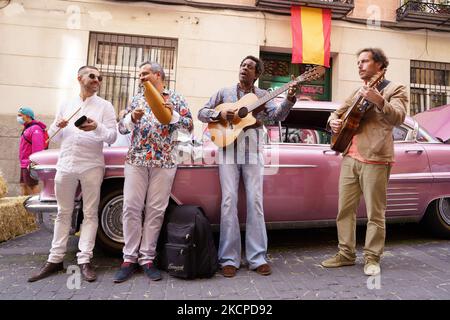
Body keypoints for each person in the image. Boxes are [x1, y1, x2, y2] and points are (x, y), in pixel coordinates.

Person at [198, 55, 298, 277]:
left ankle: (257, 257)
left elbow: (275, 117)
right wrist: (220, 113)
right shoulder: (224, 93)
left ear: (257, 74)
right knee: (228, 201)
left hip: (252, 150)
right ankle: (229, 259)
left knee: (255, 201)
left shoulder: (262, 95)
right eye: (242, 65)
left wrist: (290, 98)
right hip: (227, 151)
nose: (244, 68)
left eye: (250, 67)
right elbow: (202, 112)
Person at [321, 48, 408, 276]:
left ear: (379, 65)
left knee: (375, 213)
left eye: (364, 61)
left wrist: (379, 101)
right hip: (350, 155)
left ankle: (372, 258)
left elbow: (398, 117)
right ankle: (346, 254)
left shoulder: (395, 88)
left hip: (376, 157)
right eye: (357, 62)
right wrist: (333, 122)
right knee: (345, 210)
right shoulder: (358, 90)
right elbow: (336, 114)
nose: (359, 65)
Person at [28, 66, 117, 283]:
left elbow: (112, 137)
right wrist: (56, 126)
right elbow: (53, 136)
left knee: (90, 213)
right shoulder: (66, 103)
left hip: (92, 164)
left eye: (100, 78)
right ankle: (55, 259)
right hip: (66, 163)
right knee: (62, 212)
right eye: (92, 76)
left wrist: (96, 127)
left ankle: (85, 259)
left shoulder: (105, 106)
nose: (97, 80)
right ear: (80, 78)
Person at [113, 61, 193, 283]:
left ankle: (147, 259)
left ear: (158, 75)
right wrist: (131, 118)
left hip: (165, 160)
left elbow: (189, 125)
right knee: (130, 207)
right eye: (140, 74)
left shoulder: (175, 98)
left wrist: (172, 115)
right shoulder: (137, 98)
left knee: (156, 210)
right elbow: (121, 127)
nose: (141, 78)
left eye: (145, 74)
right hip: (137, 158)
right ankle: (128, 258)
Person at [17, 106, 46, 195]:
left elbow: (38, 148)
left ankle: (38, 207)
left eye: (20, 115)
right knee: (23, 185)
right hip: (23, 163)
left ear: (28, 116)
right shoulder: (27, 128)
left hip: (29, 164)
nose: (18, 118)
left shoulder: (35, 129)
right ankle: (23, 208)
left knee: (32, 185)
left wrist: (33, 164)